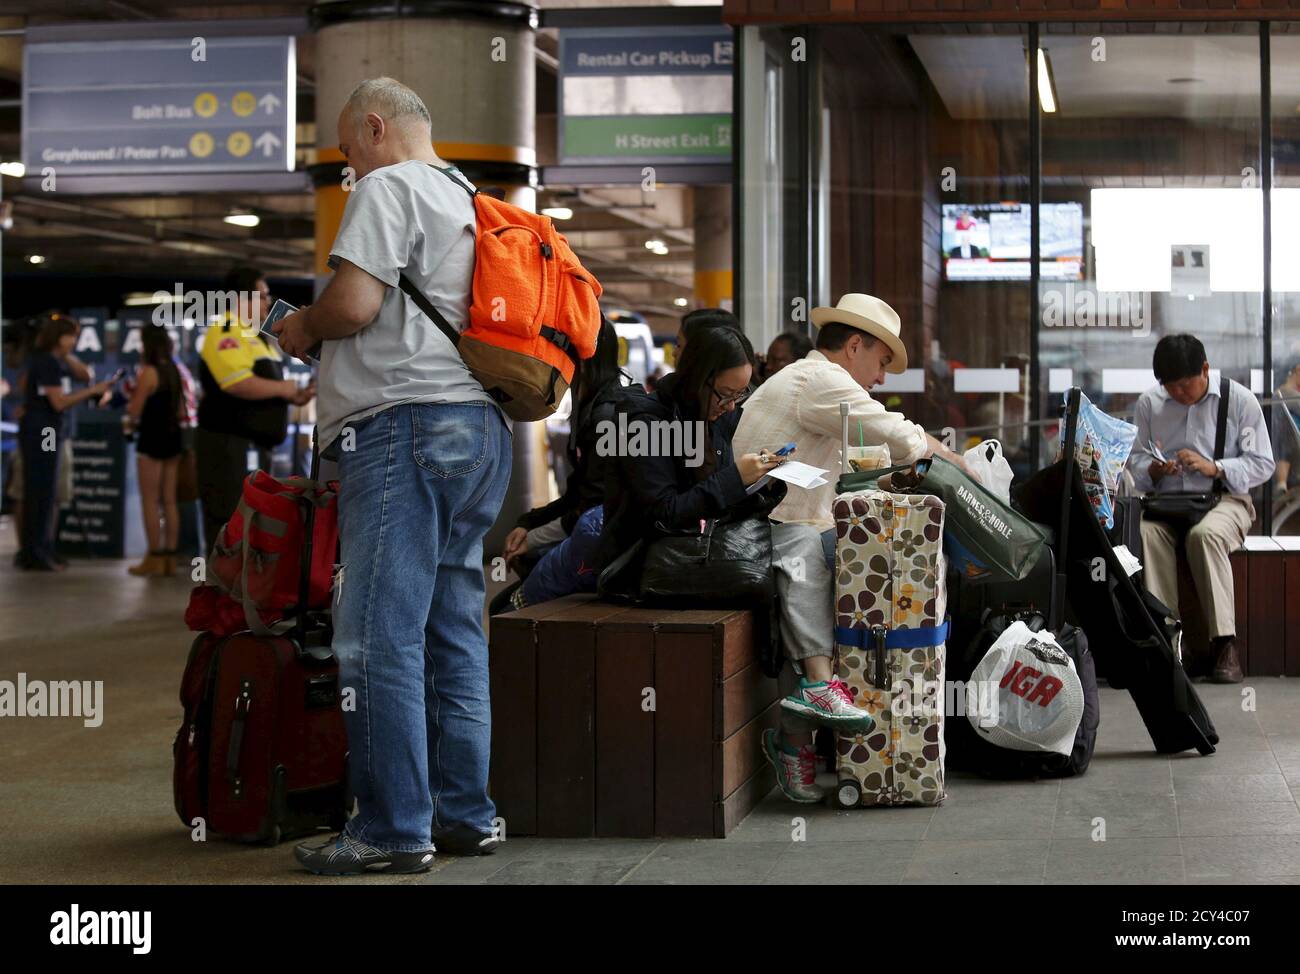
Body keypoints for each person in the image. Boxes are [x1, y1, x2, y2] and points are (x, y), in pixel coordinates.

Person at [273, 77, 512, 873]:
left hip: (405, 428)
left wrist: (297, 327)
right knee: (451, 630)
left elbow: (352, 304)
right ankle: (464, 816)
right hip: (480, 431)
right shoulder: (470, 197)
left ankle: (391, 827)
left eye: (348, 149)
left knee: (376, 636)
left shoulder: (389, 186)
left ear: (376, 127)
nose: (349, 167)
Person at [596, 324, 872, 805]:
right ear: (698, 377)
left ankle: (808, 704)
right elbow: (662, 513)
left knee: (798, 565)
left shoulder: (712, 417)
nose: (731, 406)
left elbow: (718, 500)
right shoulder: (644, 418)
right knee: (796, 552)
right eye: (725, 393)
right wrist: (736, 478)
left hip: (703, 551)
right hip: (647, 564)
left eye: (740, 394)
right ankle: (808, 705)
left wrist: (765, 480)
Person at [733, 293, 971, 570]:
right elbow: (901, 438)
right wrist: (957, 462)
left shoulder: (812, 378)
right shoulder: (820, 378)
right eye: (882, 362)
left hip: (769, 529)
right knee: (911, 559)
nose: (882, 378)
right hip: (771, 534)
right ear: (855, 346)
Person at [1131, 334, 1274, 684]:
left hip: (1226, 499)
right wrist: (1153, 469)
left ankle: (1224, 644)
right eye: (1170, 388)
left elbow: (1263, 464)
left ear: (1205, 369)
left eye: (1184, 386)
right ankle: (1168, 640)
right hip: (1166, 504)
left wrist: (1217, 467)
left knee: (1205, 536)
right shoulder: (1150, 404)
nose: (1178, 395)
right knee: (1145, 533)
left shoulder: (1239, 401)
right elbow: (1133, 460)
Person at [496, 318, 630, 611]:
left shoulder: (605, 415)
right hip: (597, 541)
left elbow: (592, 505)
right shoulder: (598, 405)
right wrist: (529, 522)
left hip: (598, 547)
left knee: (506, 610)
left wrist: (532, 537)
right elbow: (577, 494)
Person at [195, 266, 314, 550]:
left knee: (250, 521)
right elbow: (237, 383)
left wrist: (294, 396)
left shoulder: (258, 338)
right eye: (262, 296)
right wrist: (282, 389)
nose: (268, 303)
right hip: (226, 446)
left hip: (253, 448)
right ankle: (219, 589)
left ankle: (244, 587)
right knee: (227, 519)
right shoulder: (226, 331)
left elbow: (265, 386)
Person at [15, 315, 113, 571]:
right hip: (44, 431)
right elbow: (58, 401)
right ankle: (35, 551)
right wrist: (91, 392)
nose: (75, 342)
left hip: (48, 429)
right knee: (41, 490)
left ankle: (42, 547)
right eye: (72, 337)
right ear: (60, 337)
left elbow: (84, 374)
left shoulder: (55, 361)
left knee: (48, 493)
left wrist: (64, 353)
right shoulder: (46, 362)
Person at [123, 325, 185, 577]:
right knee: (169, 500)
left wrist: (128, 418)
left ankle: (154, 557)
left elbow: (134, 410)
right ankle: (170, 557)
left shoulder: (148, 372)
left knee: (150, 500)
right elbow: (181, 410)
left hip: (151, 439)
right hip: (174, 438)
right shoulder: (174, 371)